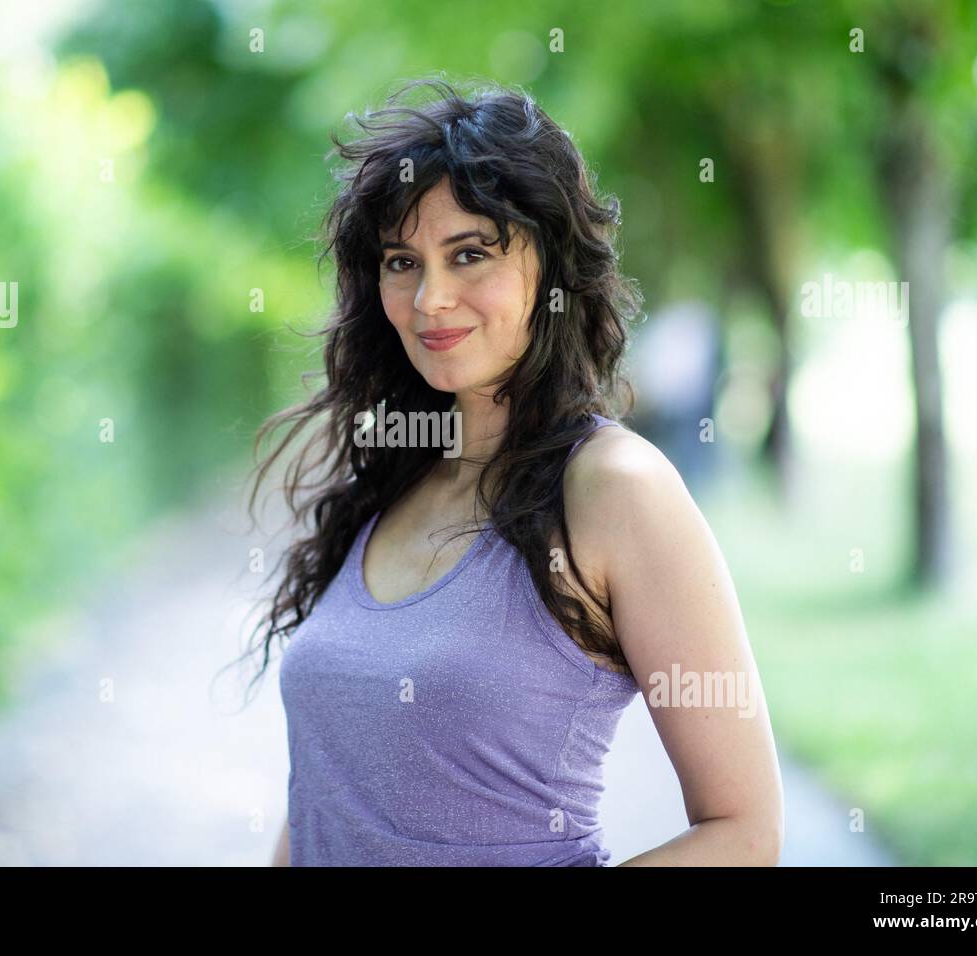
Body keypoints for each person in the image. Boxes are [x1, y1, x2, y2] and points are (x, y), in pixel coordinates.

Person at [248, 78, 783, 866]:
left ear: (555, 272)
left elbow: (744, 834)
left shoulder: (614, 488)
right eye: (403, 261)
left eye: (470, 254)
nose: (430, 298)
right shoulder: (391, 480)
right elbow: (327, 799)